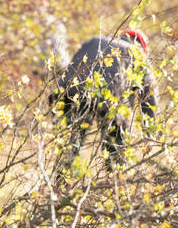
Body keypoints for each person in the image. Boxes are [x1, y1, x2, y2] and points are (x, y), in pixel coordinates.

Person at [51, 29, 157, 166]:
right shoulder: (138, 55)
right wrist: (149, 133)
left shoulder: (94, 41)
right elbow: (149, 97)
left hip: (74, 93)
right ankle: (114, 181)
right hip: (110, 102)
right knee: (115, 145)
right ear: (142, 46)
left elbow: (71, 69)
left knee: (71, 142)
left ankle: (61, 183)